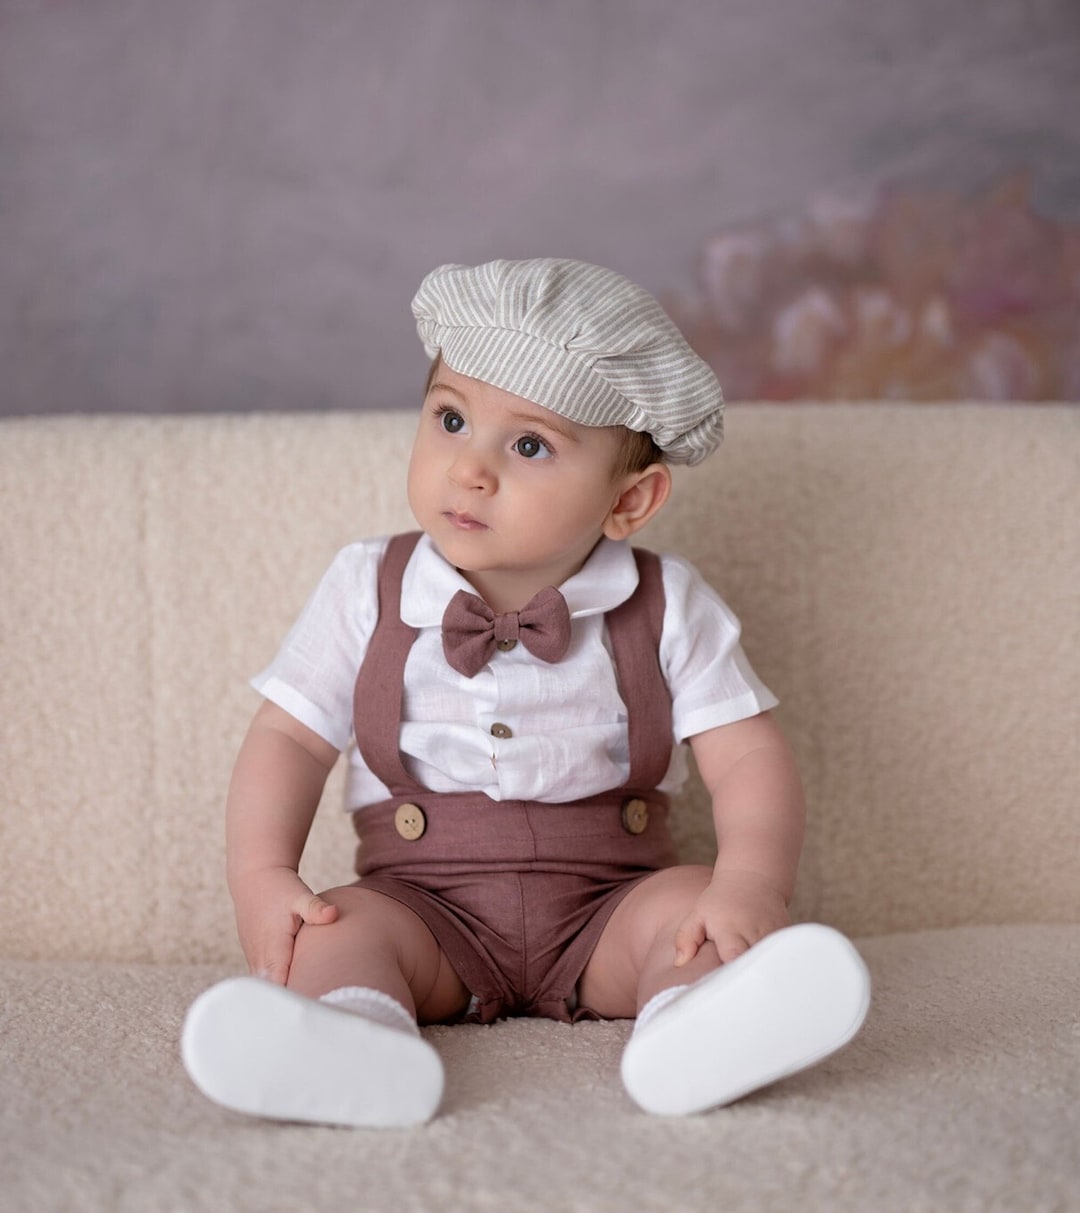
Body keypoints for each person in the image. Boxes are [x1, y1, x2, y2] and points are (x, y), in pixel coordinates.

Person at [181, 258, 870, 1128]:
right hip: (421, 909)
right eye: (451, 418)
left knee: (691, 915)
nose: (470, 469)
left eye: (529, 444)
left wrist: (752, 882)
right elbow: (287, 739)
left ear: (630, 500)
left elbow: (747, 756)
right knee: (337, 933)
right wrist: (261, 874)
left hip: (607, 903)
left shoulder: (668, 602)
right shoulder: (367, 585)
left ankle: (692, 1026)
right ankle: (354, 1038)